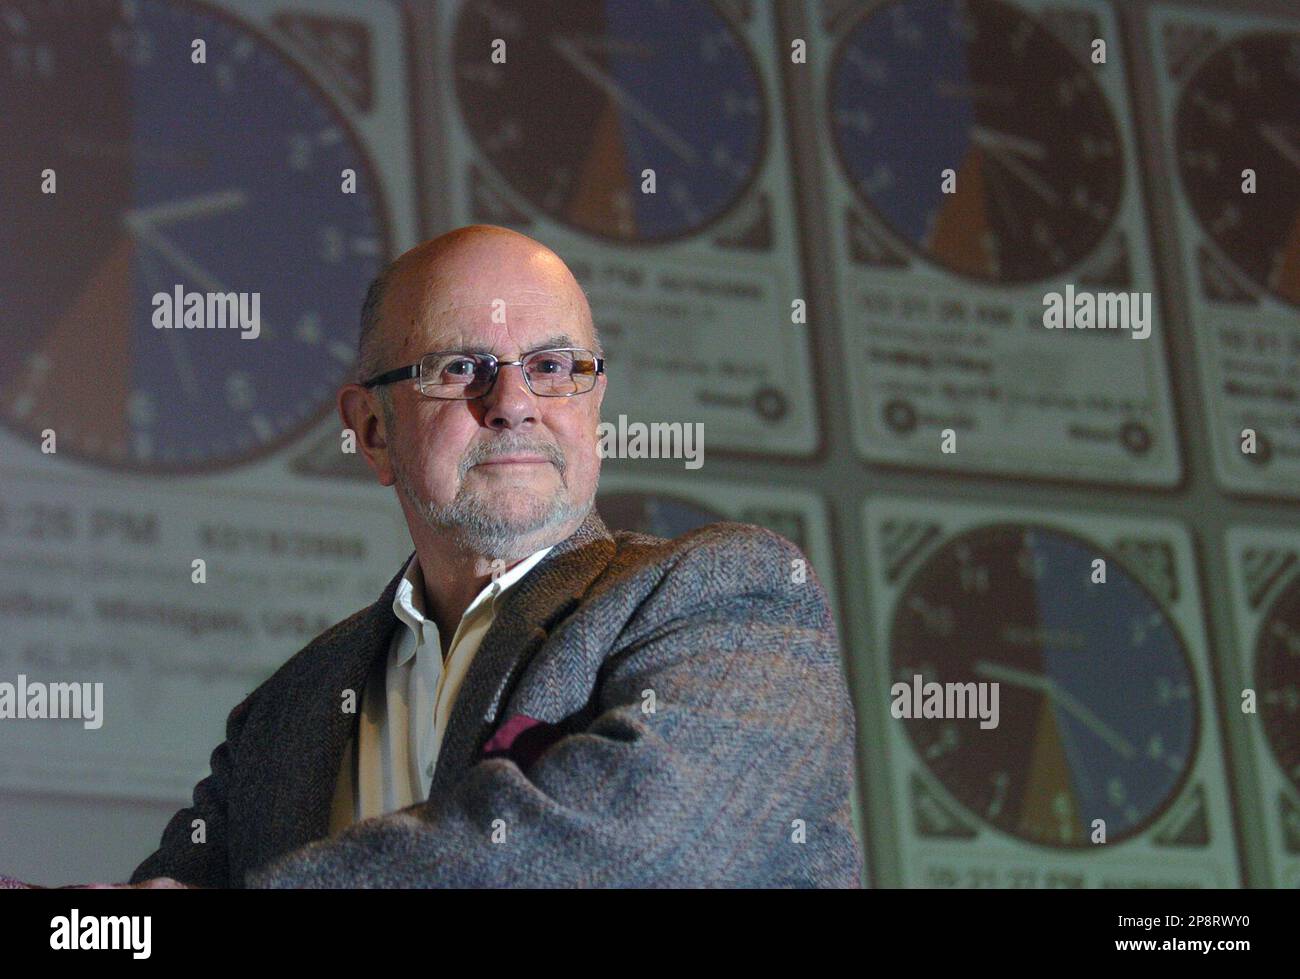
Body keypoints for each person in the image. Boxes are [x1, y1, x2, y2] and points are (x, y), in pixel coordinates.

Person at [126, 224, 863, 887]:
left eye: (552, 366)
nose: (513, 401)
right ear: (374, 430)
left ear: (594, 406)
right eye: (458, 368)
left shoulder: (732, 596)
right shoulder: (283, 714)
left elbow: (634, 850)